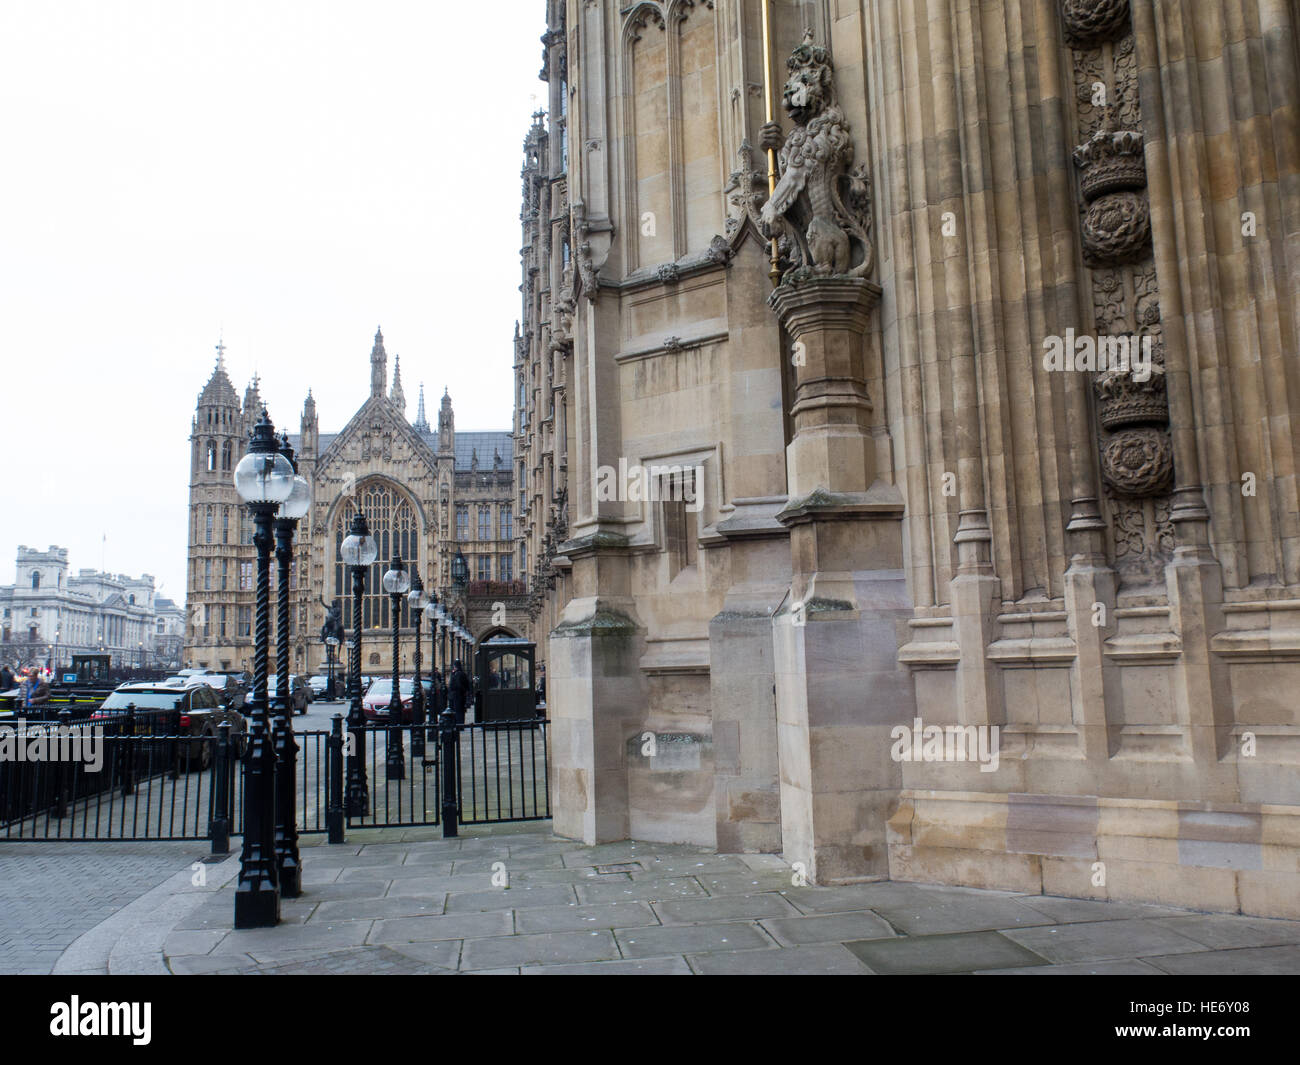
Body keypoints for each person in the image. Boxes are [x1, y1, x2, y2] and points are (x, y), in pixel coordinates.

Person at [447, 660, 471, 725]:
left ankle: (459, 724)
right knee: (460, 710)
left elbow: (456, 685)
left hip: (457, 695)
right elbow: (467, 685)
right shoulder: (462, 674)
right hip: (460, 695)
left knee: (458, 711)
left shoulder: (457, 674)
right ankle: (460, 723)